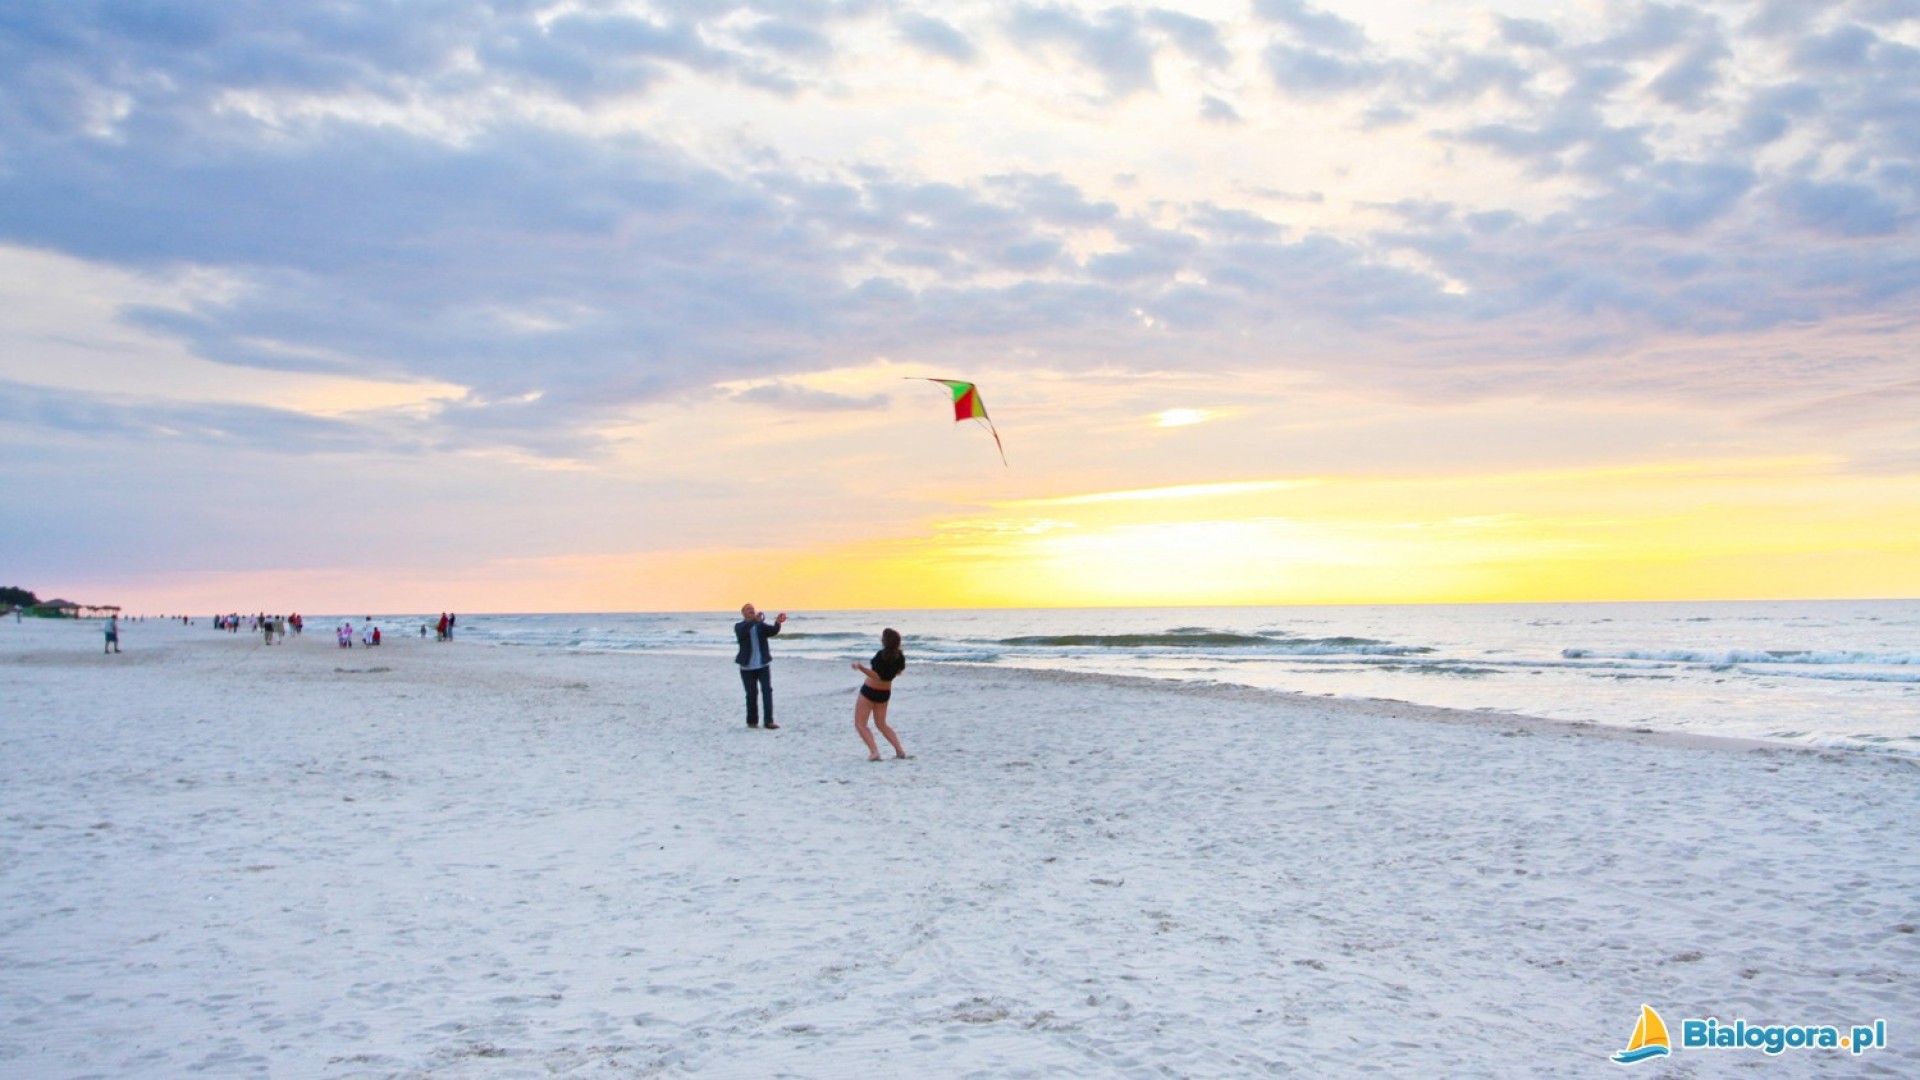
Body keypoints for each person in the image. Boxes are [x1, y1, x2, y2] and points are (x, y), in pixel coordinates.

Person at [852, 628, 908, 760]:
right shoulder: (900, 656)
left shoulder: (880, 655)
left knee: (860, 724)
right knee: (881, 724)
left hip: (869, 691)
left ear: (885, 641)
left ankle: (874, 752)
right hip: (884, 693)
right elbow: (899, 672)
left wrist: (860, 667)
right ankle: (900, 751)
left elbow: (876, 676)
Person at [733, 603, 787, 729]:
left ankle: (769, 721)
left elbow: (772, 631)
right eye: (748, 609)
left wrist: (778, 623)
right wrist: (754, 621)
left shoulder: (760, 625)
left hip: (763, 665)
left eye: (752, 609)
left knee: (767, 691)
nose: (752, 611)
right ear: (743, 613)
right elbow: (743, 632)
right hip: (747, 667)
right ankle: (752, 722)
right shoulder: (739, 626)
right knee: (751, 694)